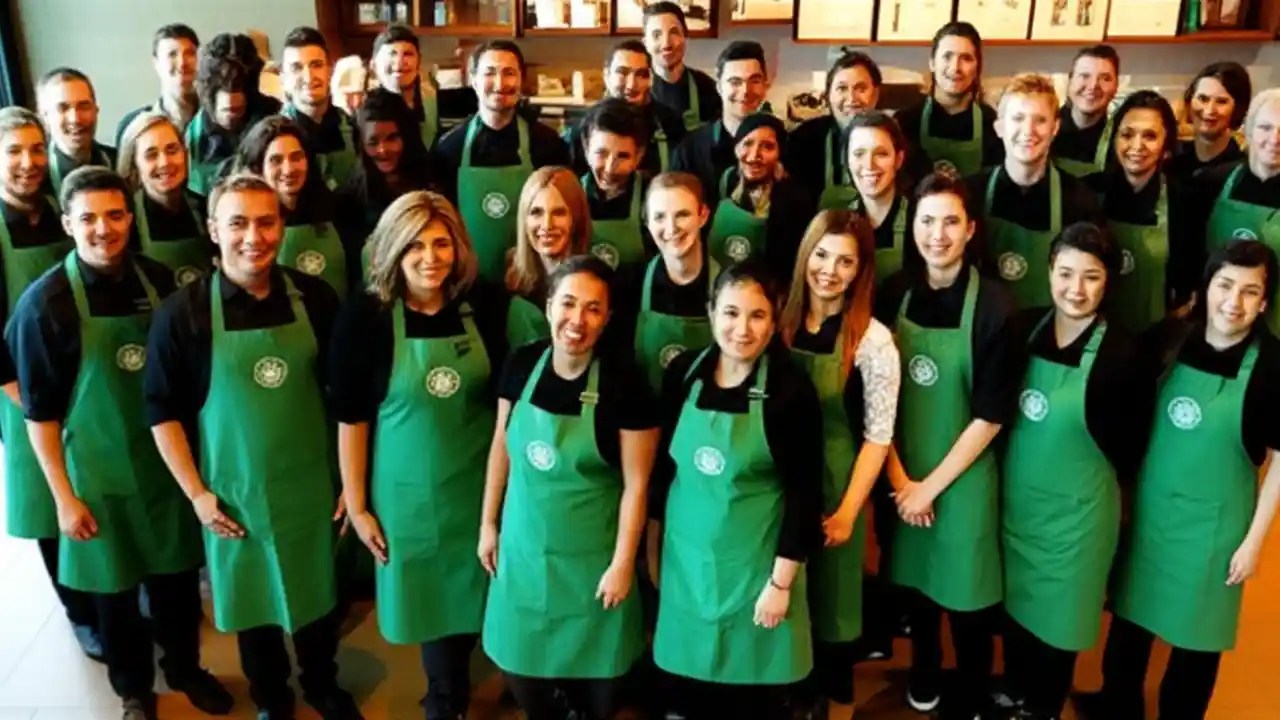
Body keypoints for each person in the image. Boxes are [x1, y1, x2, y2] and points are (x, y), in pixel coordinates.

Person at [8, 167, 231, 720]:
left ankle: (185, 668)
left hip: (165, 470)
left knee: (177, 584)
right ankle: (133, 689)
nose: (103, 229)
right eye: (87, 218)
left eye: (114, 215)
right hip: (98, 478)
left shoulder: (161, 284)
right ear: (68, 224)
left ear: (130, 218)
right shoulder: (46, 306)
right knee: (114, 596)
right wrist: (63, 497)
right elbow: (41, 416)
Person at [145, 173, 360, 720]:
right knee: (254, 606)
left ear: (282, 226)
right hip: (233, 494)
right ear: (214, 230)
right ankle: (270, 695)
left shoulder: (315, 298)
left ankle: (322, 683)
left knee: (316, 600)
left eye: (266, 222)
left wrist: (348, 483)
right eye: (238, 223)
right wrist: (196, 494)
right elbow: (162, 413)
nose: (254, 237)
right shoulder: (182, 315)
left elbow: (345, 398)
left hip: (310, 485)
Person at [1078, 240, 1280, 720]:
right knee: (1129, 625)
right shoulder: (1168, 339)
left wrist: (1254, 543)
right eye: (1224, 285)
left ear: (1265, 302)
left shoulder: (1273, 366)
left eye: (1250, 292)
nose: (1234, 302)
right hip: (1150, 512)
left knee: (1197, 643)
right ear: (1206, 288)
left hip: (1215, 528)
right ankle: (1116, 706)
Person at [332, 191, 509, 720]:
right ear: (391, 250)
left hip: (476, 485)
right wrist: (359, 505)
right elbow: (351, 417)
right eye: (415, 247)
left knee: (475, 591)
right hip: (406, 494)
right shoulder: (366, 318)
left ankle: (458, 683)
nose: (430, 258)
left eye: (441, 244)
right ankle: (444, 696)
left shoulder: (485, 306)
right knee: (430, 600)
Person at [479, 255, 656, 720]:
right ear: (549, 304)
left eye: (593, 309)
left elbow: (637, 486)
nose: (577, 320)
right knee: (523, 675)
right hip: (523, 556)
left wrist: (622, 564)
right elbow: (502, 448)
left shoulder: (626, 385)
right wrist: (488, 524)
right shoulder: (521, 365)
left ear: (608, 318)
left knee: (599, 692)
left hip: (592, 567)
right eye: (568, 303)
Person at [650, 261, 823, 720]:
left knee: (752, 698)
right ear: (711, 314)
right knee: (690, 690)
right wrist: (651, 546)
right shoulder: (684, 375)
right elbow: (661, 470)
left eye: (756, 315)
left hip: (755, 571)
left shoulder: (791, 392)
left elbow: (805, 497)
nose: (741, 329)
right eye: (730, 313)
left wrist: (780, 584)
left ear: (774, 319)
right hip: (686, 565)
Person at [877, 171, 1019, 719]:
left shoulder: (995, 310)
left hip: (963, 477)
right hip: (901, 466)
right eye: (927, 220)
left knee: (967, 595)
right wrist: (900, 482)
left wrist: (927, 489)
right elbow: (876, 398)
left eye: (951, 222)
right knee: (915, 589)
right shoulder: (894, 294)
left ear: (970, 229)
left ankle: (972, 687)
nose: (937, 234)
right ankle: (925, 667)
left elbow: (989, 416)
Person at [1000, 222, 1153, 720]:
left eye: (1091, 277)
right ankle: (1017, 689)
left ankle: (1042, 706)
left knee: (1061, 621)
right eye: (1065, 274)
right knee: (1019, 608)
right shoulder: (1023, 331)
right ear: (1048, 273)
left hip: (1079, 520)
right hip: (1020, 509)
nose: (1076, 289)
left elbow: (1131, 448)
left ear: (1108, 281)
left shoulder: (1123, 355)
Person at [780, 210, 900, 720]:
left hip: (836, 488)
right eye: (822, 255)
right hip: (779, 485)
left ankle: (833, 704)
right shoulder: (777, 323)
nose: (829, 270)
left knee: (833, 606)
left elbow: (878, 436)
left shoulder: (873, 342)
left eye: (845, 261)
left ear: (861, 271)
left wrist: (851, 511)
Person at [0, 106, 96, 661]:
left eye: (37, 150)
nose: (30, 163)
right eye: (14, 152)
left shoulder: (65, 207)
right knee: (48, 505)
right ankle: (79, 613)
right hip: (27, 393)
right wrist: (33, 402)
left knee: (90, 492)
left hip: (88, 378)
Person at [968, 73, 1102, 310]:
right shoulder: (970, 194)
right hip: (987, 330)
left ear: (1055, 128)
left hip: (1046, 333)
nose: (1028, 130)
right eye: (1018, 118)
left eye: (1040, 120)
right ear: (999, 127)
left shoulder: (1079, 201)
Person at [437, 40, 569, 283]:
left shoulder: (547, 145)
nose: (500, 83)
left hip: (533, 281)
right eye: (490, 73)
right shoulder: (449, 149)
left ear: (521, 81)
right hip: (469, 283)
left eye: (509, 73)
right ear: (473, 80)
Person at [1086, 90, 1195, 334]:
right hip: (1097, 335)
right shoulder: (1089, 194)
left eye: (1150, 136)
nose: (1137, 146)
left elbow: (1187, 279)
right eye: (1127, 135)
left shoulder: (1183, 200)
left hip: (1155, 336)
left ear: (1166, 143)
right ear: (1114, 139)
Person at [1188, 88, 1280, 333]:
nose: (1275, 139)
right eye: (1265, 127)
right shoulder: (1211, 182)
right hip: (1215, 321)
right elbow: (1191, 252)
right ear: (1247, 132)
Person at [235, 116, 354, 298]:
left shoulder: (338, 210)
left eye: (296, 157)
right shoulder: (245, 226)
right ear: (258, 167)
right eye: (276, 160)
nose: (289, 169)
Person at [618, 171, 714, 391]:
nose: (671, 228)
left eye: (682, 215)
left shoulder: (727, 287)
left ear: (703, 216)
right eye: (659, 217)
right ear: (647, 223)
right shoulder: (630, 284)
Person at [704, 113, 813, 274]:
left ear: (779, 153)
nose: (754, 156)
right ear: (736, 148)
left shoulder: (795, 199)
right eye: (747, 143)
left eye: (767, 146)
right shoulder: (724, 182)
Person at [335, 90, 447, 245]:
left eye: (391, 138)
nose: (383, 150)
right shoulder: (350, 200)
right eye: (373, 142)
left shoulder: (434, 185)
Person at [117, 112, 212, 287]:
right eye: (151, 155)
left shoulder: (206, 208)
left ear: (185, 154)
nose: (164, 162)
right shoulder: (125, 222)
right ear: (134, 165)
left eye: (172, 150)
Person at [895, 22, 1002, 179]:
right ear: (932, 63)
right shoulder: (905, 122)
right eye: (947, 56)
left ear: (977, 68)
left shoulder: (992, 124)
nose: (955, 68)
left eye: (966, 58)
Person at [567, 40, 687, 178]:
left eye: (641, 74)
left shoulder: (671, 125)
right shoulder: (583, 128)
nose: (631, 85)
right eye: (622, 73)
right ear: (606, 75)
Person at [670, 40, 768, 207]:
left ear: (765, 85)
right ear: (719, 86)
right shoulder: (689, 151)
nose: (745, 91)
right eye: (735, 82)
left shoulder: (784, 147)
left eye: (755, 80)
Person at [504, 167, 590, 347]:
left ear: (576, 218)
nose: (547, 225)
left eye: (559, 213)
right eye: (536, 212)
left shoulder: (595, 280)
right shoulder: (508, 281)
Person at [785, 51, 882, 210]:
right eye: (842, 88)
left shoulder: (892, 140)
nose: (851, 98)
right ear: (828, 95)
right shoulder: (802, 140)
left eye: (861, 88)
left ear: (876, 94)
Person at [577, 98, 653, 271]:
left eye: (623, 156)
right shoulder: (569, 196)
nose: (610, 169)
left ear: (639, 155)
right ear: (586, 148)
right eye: (601, 153)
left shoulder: (652, 198)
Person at [280, 27, 359, 192]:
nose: (309, 77)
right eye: (296, 68)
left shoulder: (352, 127)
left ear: (330, 70)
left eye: (316, 65)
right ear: (284, 78)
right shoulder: (273, 136)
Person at [844, 110, 911, 285]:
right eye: (859, 154)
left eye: (881, 154)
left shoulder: (919, 220)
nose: (869, 164)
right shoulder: (840, 222)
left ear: (899, 159)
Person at [35, 68, 116, 198]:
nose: (75, 119)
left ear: (96, 110)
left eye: (83, 106)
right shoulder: (36, 177)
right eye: (63, 108)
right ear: (44, 118)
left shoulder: (119, 164)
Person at [115, 24, 201, 146]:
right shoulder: (133, 127)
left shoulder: (215, 121)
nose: (182, 62)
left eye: (190, 53)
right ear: (156, 63)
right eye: (172, 54)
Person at [643, 1, 721, 131]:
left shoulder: (707, 88)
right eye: (657, 35)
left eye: (674, 32)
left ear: (685, 37)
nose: (666, 44)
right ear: (646, 43)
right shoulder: (637, 90)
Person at [1168, 62, 1252, 182]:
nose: (1210, 110)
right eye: (1203, 99)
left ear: (1238, 108)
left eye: (1221, 101)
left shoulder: (1243, 174)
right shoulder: (1172, 161)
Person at [185, 56, 252, 196]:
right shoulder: (195, 138)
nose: (233, 117)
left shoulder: (258, 120)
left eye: (238, 110)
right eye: (227, 111)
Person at [370, 24, 442, 152]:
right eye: (392, 54)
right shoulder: (365, 110)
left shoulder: (434, 105)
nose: (399, 62)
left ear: (419, 62)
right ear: (373, 65)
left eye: (408, 54)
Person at [1052, 45, 1121, 178]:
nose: (1093, 85)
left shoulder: (1121, 142)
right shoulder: (1043, 132)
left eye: (1105, 78)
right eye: (1084, 76)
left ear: (1116, 87)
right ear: (1070, 81)